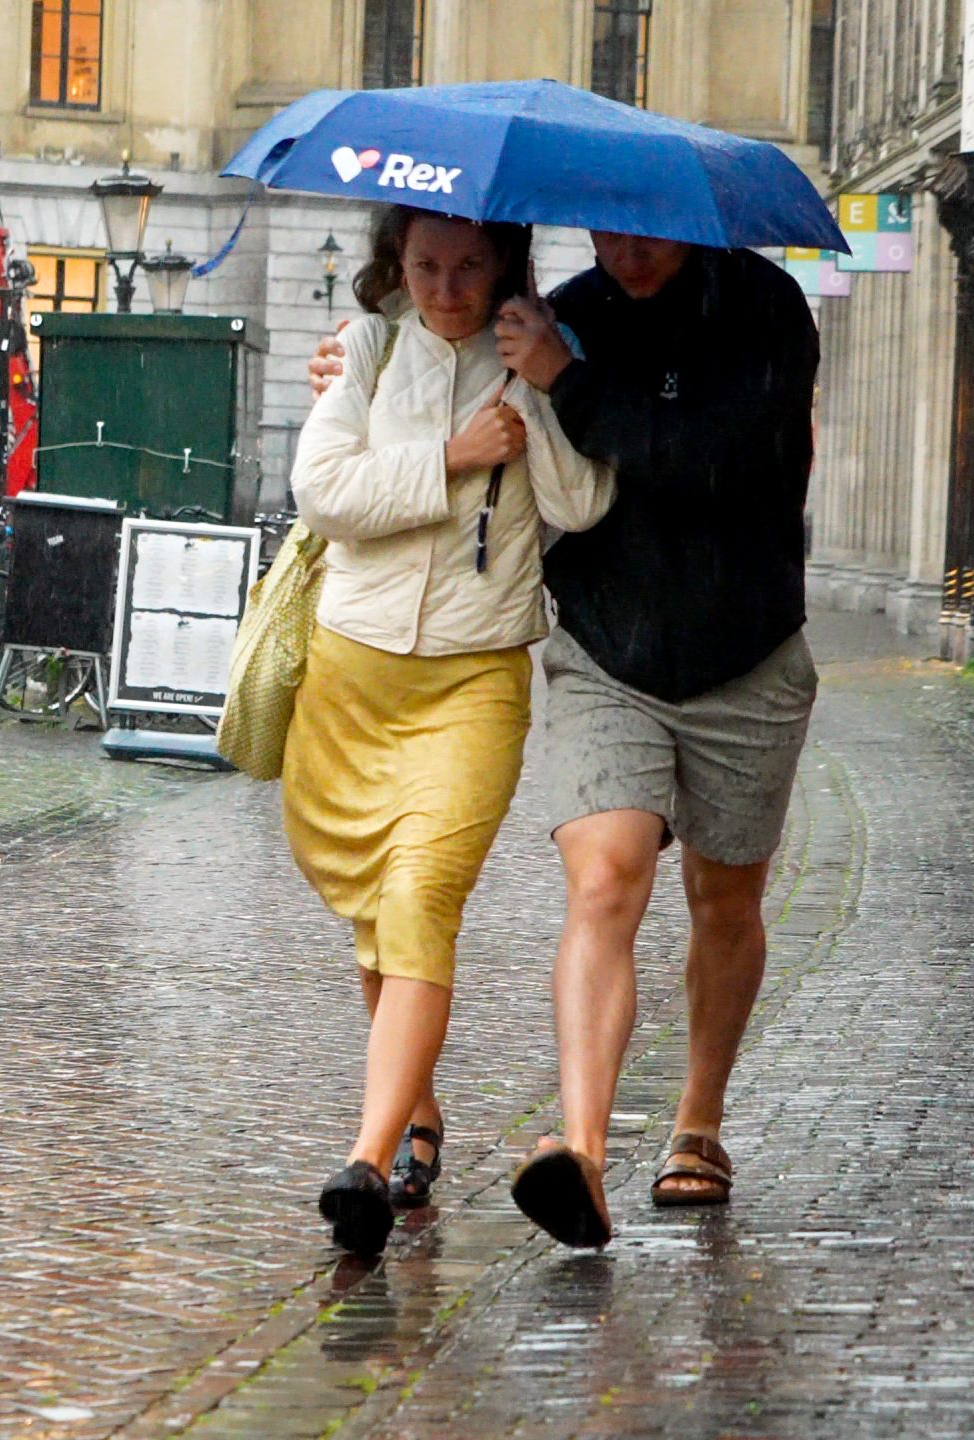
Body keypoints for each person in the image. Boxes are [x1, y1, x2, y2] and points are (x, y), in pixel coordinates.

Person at [309, 232, 821, 1248]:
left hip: (747, 648)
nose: (624, 251)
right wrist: (365, 363)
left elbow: (703, 461)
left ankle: (697, 1125)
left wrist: (565, 379)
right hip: (604, 653)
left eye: (647, 233)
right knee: (604, 879)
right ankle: (579, 1153)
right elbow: (478, 403)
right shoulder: (564, 312)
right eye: (606, 230)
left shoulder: (763, 308)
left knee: (724, 901)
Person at [284, 206, 612, 1259]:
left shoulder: (539, 356)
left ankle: (366, 1164)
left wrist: (546, 385)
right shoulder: (368, 352)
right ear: (396, 263)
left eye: (469, 266)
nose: (446, 286)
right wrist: (455, 454)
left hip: (474, 676)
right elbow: (322, 492)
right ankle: (416, 1119)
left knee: (421, 894)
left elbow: (584, 500)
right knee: (379, 913)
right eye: (425, 264)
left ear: (506, 265)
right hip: (350, 675)